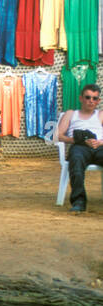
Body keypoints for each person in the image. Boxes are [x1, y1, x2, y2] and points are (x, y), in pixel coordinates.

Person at [53, 83, 103, 214]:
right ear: (81, 98)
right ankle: (79, 201)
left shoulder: (101, 114)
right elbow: (57, 135)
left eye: (94, 98)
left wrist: (99, 142)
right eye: (87, 97)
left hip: (99, 145)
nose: (90, 101)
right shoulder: (71, 114)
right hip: (79, 146)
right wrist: (78, 140)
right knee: (76, 161)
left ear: (99, 101)